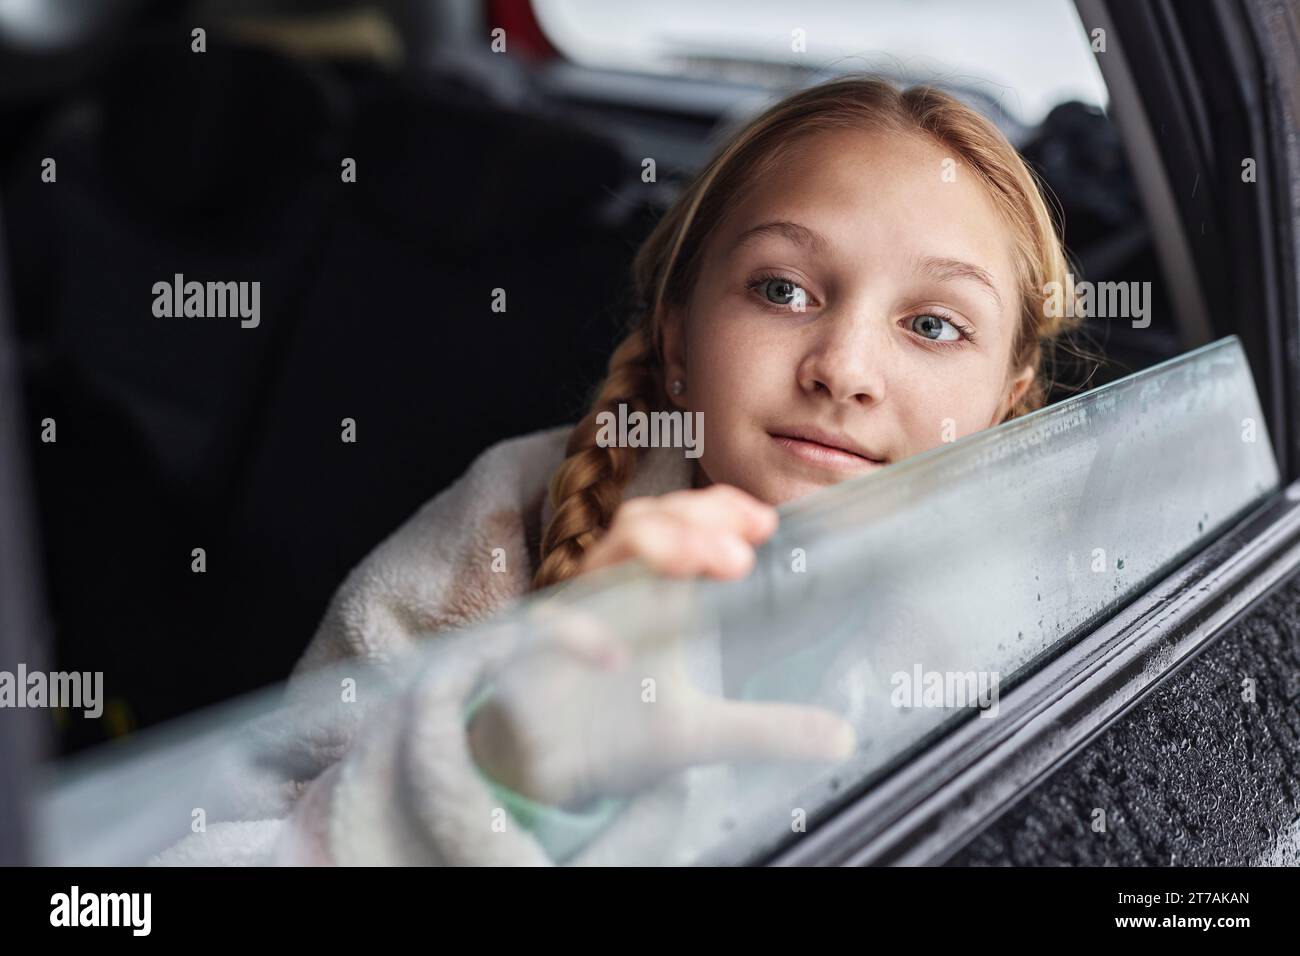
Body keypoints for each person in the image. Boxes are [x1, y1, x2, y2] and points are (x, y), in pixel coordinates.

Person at [154, 75, 1081, 866]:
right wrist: (497, 771)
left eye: (931, 326)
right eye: (782, 289)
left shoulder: (1072, 604)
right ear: (678, 333)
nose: (842, 368)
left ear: (1006, 394)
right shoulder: (501, 527)